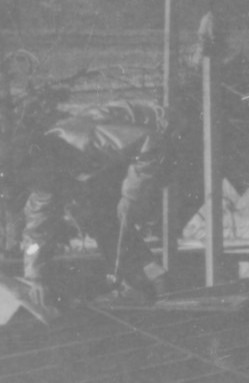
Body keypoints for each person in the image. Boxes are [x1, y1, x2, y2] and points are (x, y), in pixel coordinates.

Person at [21, 99, 169, 312]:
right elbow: (36, 231)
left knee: (111, 216)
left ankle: (154, 283)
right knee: (97, 218)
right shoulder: (45, 178)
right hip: (128, 157)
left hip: (167, 134)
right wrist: (34, 277)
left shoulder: (85, 140)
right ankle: (147, 279)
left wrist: (130, 196)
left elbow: (148, 141)